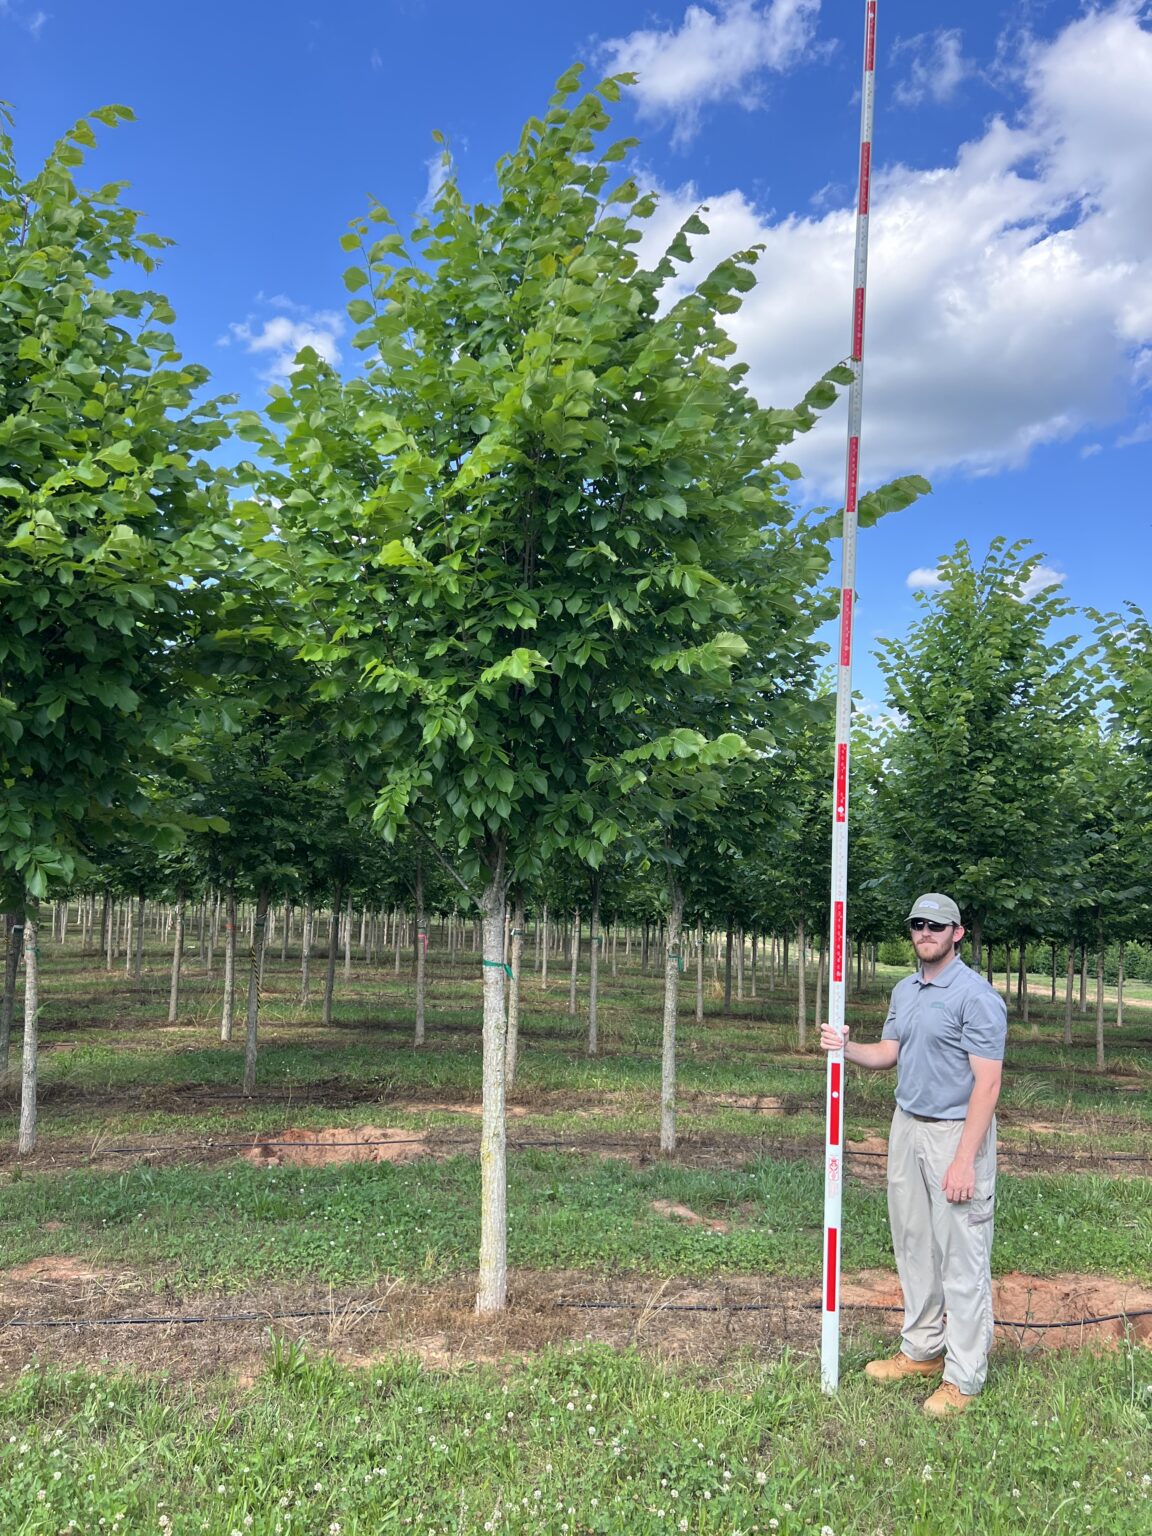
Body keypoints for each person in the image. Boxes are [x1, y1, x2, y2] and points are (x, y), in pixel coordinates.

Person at [820, 892, 1007, 1418]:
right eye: (917, 925)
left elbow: (988, 1085)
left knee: (962, 1258)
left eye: (936, 925)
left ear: (957, 933)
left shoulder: (976, 997)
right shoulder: (905, 990)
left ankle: (965, 1376)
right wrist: (846, 1047)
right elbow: (889, 1052)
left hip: (955, 1134)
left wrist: (964, 1159)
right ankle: (923, 1349)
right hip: (907, 1129)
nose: (925, 932)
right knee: (914, 1246)